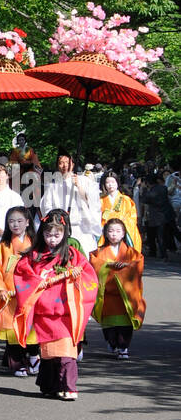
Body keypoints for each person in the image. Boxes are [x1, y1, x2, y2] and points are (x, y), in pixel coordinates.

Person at [13, 209, 98, 401]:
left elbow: (89, 276)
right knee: (50, 353)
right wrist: (36, 281)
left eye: (57, 234)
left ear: (64, 233)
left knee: (67, 351)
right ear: (41, 233)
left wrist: (77, 275)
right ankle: (50, 385)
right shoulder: (33, 257)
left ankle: (69, 386)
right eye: (48, 234)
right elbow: (21, 275)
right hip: (44, 312)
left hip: (66, 311)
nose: (52, 239)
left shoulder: (73, 255)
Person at [0, 206, 39, 375]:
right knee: (12, 330)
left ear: (28, 222)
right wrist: (0, 288)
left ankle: (34, 357)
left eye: (20, 221)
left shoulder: (34, 244)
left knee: (31, 327)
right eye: (11, 221)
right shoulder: (3, 246)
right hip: (9, 294)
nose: (15, 225)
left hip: (29, 293)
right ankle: (18, 363)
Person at [89, 218, 146, 358]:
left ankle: (123, 347)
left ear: (123, 234)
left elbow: (138, 263)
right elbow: (94, 264)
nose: (114, 234)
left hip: (124, 295)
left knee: (124, 324)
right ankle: (112, 342)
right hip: (108, 294)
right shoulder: (99, 252)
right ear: (105, 233)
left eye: (118, 231)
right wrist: (107, 266)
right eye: (110, 231)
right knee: (110, 327)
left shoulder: (131, 253)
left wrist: (127, 267)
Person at [38, 152, 102, 255]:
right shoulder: (53, 186)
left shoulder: (84, 181)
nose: (64, 166)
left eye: (67, 162)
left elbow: (93, 202)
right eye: (61, 163)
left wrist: (78, 187)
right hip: (61, 229)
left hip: (81, 229)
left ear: (72, 164)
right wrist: (57, 219)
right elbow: (46, 207)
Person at [99, 171, 142, 253]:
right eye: (107, 182)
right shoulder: (101, 200)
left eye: (112, 182)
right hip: (107, 232)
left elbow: (131, 217)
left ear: (117, 183)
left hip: (122, 232)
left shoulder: (126, 199)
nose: (110, 185)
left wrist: (121, 225)